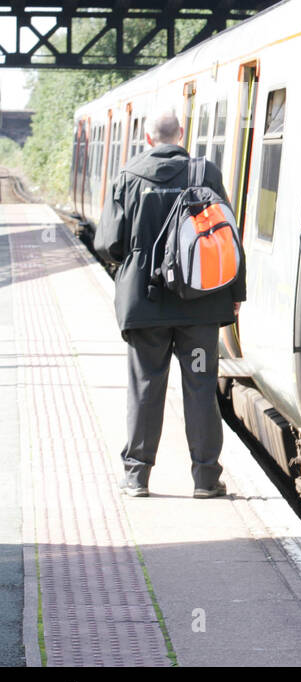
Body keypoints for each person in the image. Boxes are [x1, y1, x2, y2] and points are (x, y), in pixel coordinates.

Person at [94, 109, 245, 498]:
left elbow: (108, 244)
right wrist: (235, 296)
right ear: (181, 134)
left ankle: (137, 476)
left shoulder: (128, 175)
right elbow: (228, 237)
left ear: (147, 139)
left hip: (145, 304)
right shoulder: (203, 172)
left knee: (146, 385)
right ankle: (205, 479)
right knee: (200, 386)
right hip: (200, 303)